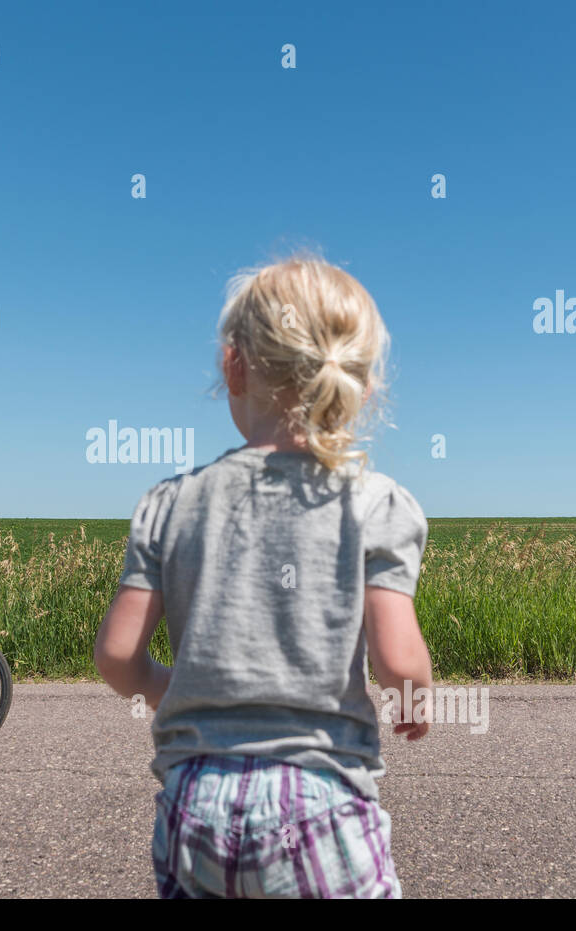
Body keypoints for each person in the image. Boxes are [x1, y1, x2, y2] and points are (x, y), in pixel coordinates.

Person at [93, 252, 434, 898]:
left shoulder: (170, 501)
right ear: (362, 384)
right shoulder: (376, 502)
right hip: (319, 801)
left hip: (194, 805)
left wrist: (179, 688)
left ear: (234, 366)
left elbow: (117, 655)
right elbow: (396, 659)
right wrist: (415, 696)